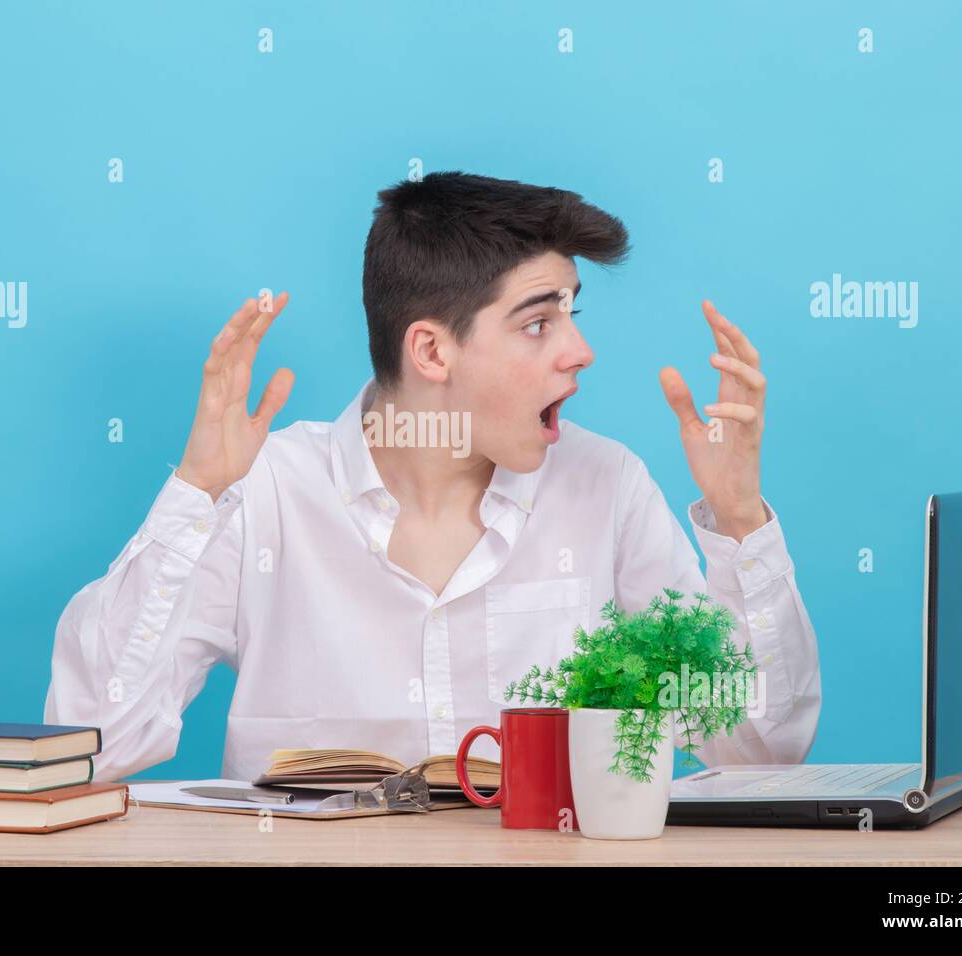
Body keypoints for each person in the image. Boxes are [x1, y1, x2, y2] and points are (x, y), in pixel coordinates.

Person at [44, 171, 821, 783]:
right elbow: (91, 744)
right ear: (432, 353)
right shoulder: (268, 490)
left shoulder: (604, 484)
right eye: (539, 322)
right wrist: (198, 495)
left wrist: (737, 515)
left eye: (574, 314)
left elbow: (754, 748)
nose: (579, 351)